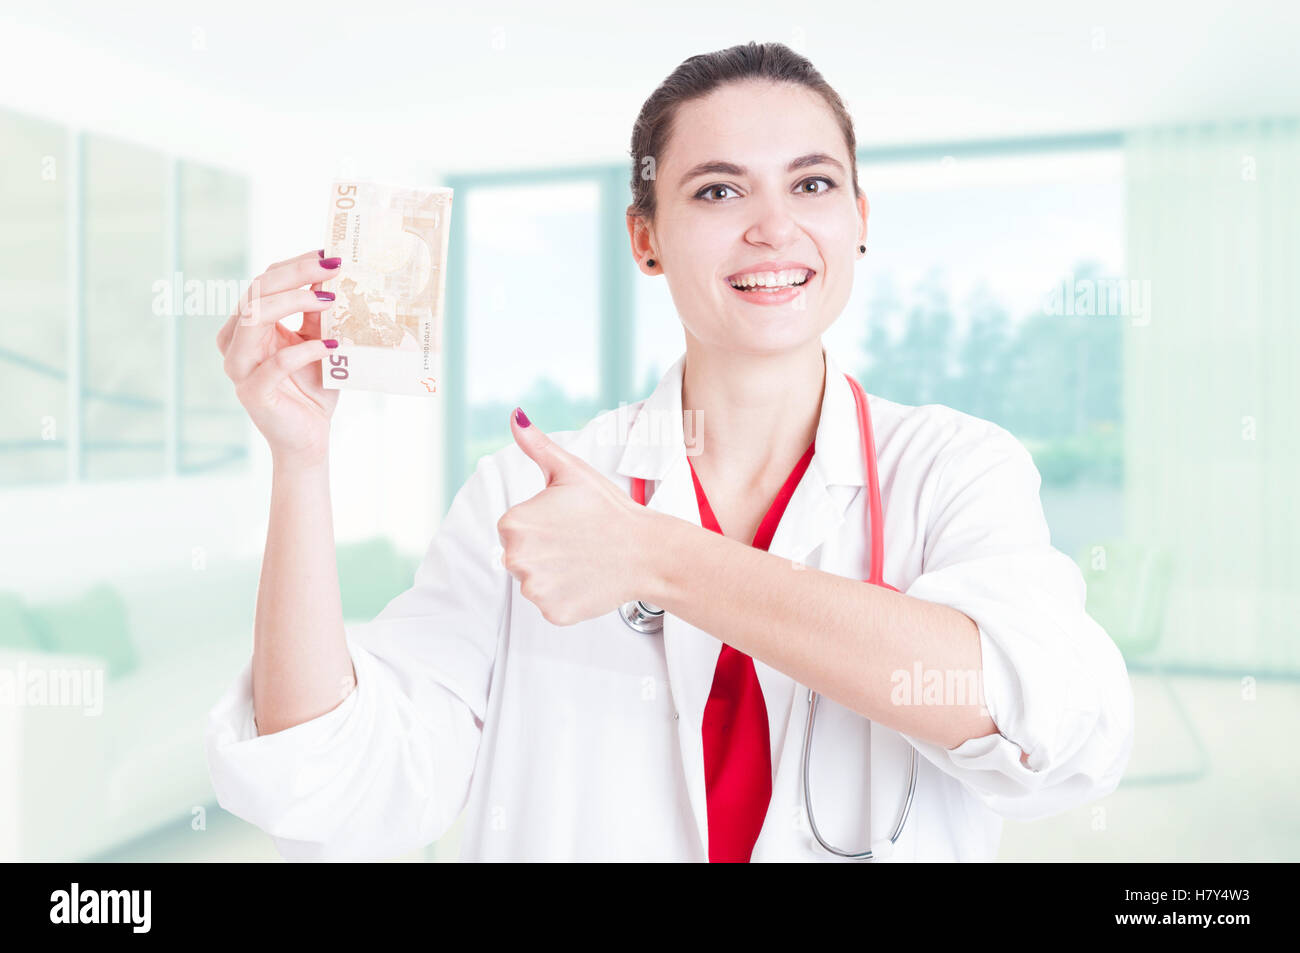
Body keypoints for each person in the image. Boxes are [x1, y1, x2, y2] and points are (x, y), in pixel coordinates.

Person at [206, 41, 1133, 862]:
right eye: (719, 190)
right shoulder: (524, 496)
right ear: (645, 239)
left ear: (859, 216)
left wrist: (658, 555)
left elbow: (1051, 731)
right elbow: (335, 786)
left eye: (811, 184)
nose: (774, 227)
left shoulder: (953, 467)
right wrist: (301, 465)